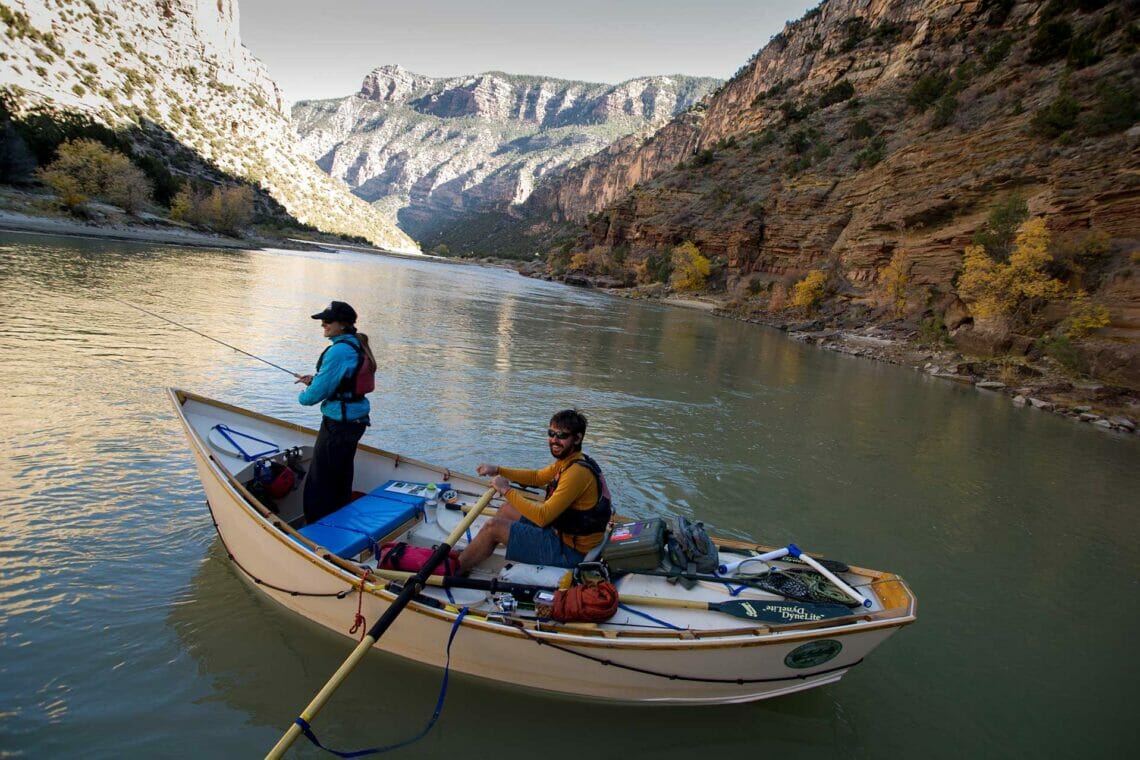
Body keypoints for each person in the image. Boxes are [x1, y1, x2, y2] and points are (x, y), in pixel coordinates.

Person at [458, 410, 612, 572]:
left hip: (570, 552)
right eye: (551, 433)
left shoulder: (576, 473)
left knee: (492, 527)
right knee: (505, 510)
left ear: (577, 438)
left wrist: (506, 490)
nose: (554, 440)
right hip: (561, 534)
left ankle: (453, 569)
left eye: (562, 435)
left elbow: (543, 517)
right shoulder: (572, 460)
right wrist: (498, 469)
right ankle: (473, 553)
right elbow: (537, 477)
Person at [294, 300, 376, 523]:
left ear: (343, 324)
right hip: (354, 421)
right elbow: (342, 380)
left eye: (328, 321)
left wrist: (306, 392)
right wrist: (314, 379)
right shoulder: (355, 344)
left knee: (319, 483)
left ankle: (315, 532)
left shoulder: (338, 351)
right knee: (340, 477)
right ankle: (337, 523)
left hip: (338, 424)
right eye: (322, 321)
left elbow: (311, 397)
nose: (323, 325)